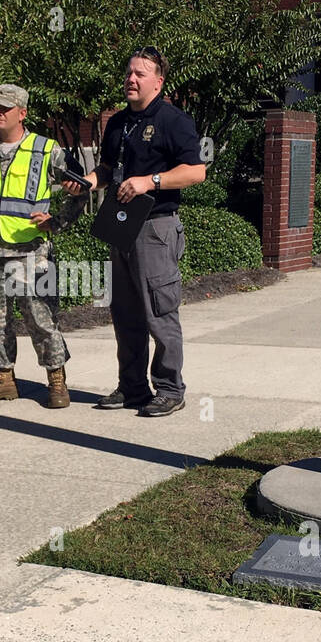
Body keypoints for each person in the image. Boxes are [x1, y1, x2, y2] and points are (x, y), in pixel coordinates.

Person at [62, 48, 206, 417]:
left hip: (155, 227)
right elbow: (109, 168)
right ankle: (133, 387)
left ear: (158, 81)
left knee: (160, 311)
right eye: (129, 72)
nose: (131, 79)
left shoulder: (174, 121)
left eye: (141, 74)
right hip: (120, 225)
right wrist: (88, 182)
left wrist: (150, 181)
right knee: (125, 313)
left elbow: (195, 172)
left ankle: (171, 389)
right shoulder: (118, 123)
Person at [0, 84, 86, 409]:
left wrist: (57, 221)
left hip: (32, 251)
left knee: (41, 317)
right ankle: (3, 380)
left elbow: (81, 187)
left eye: (5, 108)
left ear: (22, 113)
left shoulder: (46, 150)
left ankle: (56, 380)